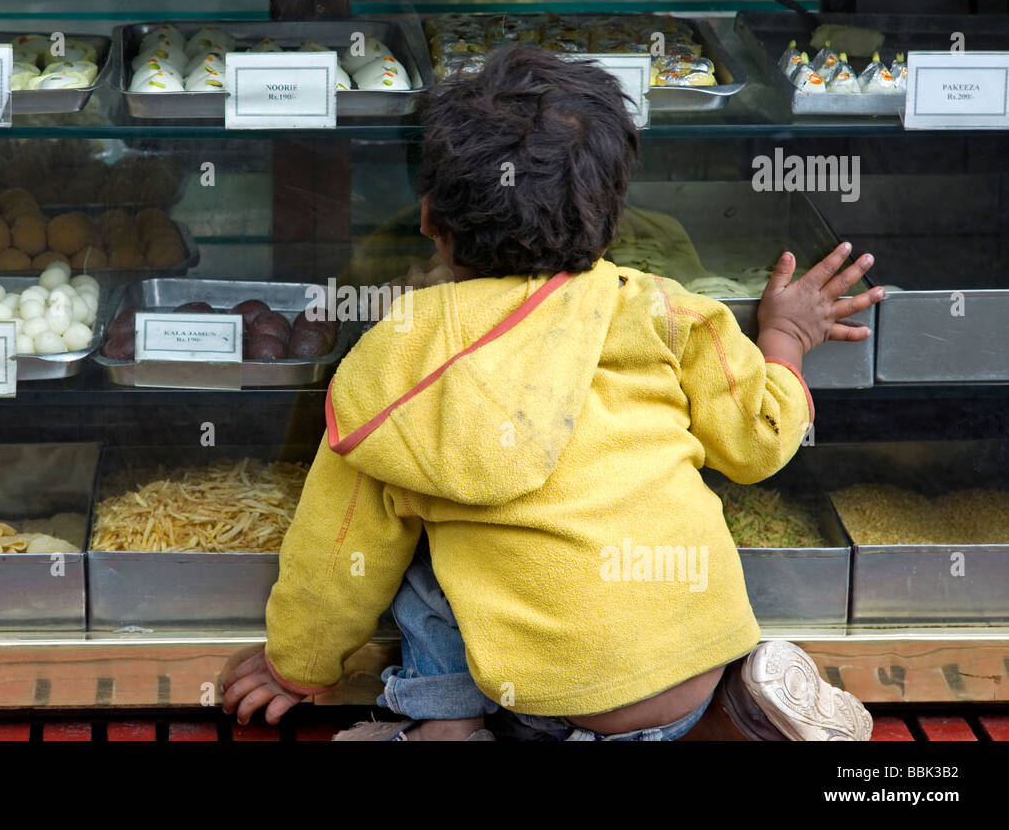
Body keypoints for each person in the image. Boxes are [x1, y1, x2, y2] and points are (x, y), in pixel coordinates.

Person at [222, 45, 882, 741]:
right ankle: (738, 711)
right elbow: (761, 442)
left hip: (541, 702)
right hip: (696, 672)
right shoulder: (667, 311)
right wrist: (784, 340)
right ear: (615, 214)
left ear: (428, 221)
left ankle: (444, 723)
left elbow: (339, 549)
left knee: (409, 525)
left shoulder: (397, 361)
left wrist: (295, 666)